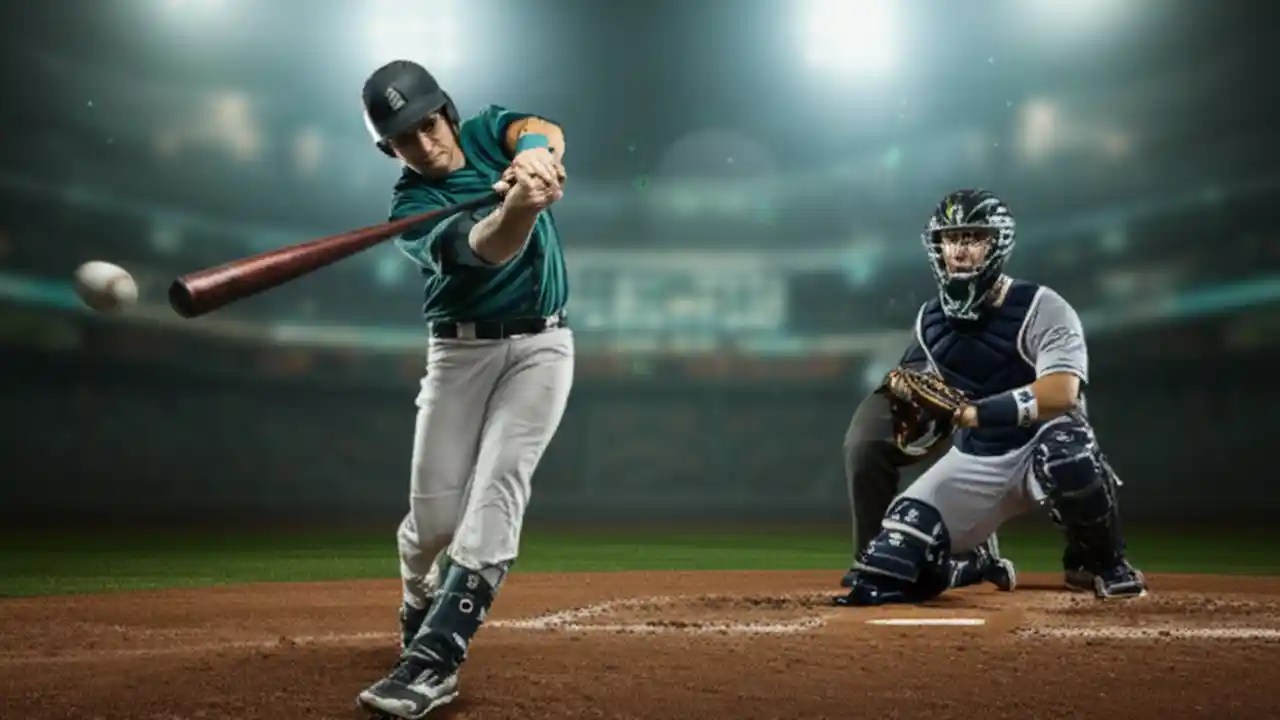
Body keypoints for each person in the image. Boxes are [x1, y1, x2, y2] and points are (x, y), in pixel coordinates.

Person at [353, 59, 574, 718]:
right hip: (458, 353)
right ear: (388, 149)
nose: (425, 144)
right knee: (433, 525)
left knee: (501, 483)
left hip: (542, 347)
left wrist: (534, 157)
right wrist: (521, 207)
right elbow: (487, 246)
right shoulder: (411, 207)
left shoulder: (484, 133)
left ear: (446, 111)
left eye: (428, 124)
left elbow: (540, 127)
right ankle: (418, 600)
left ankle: (434, 661)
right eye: (404, 138)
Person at [836, 189, 1147, 607]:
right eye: (951, 239)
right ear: (937, 247)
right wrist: (906, 419)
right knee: (888, 569)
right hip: (976, 458)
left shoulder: (1043, 306)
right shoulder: (929, 321)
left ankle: (1098, 562)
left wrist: (973, 412)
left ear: (997, 243)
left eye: (973, 238)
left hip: (1042, 441)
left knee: (1068, 455)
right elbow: (914, 390)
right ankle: (974, 564)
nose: (960, 250)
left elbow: (1061, 394)